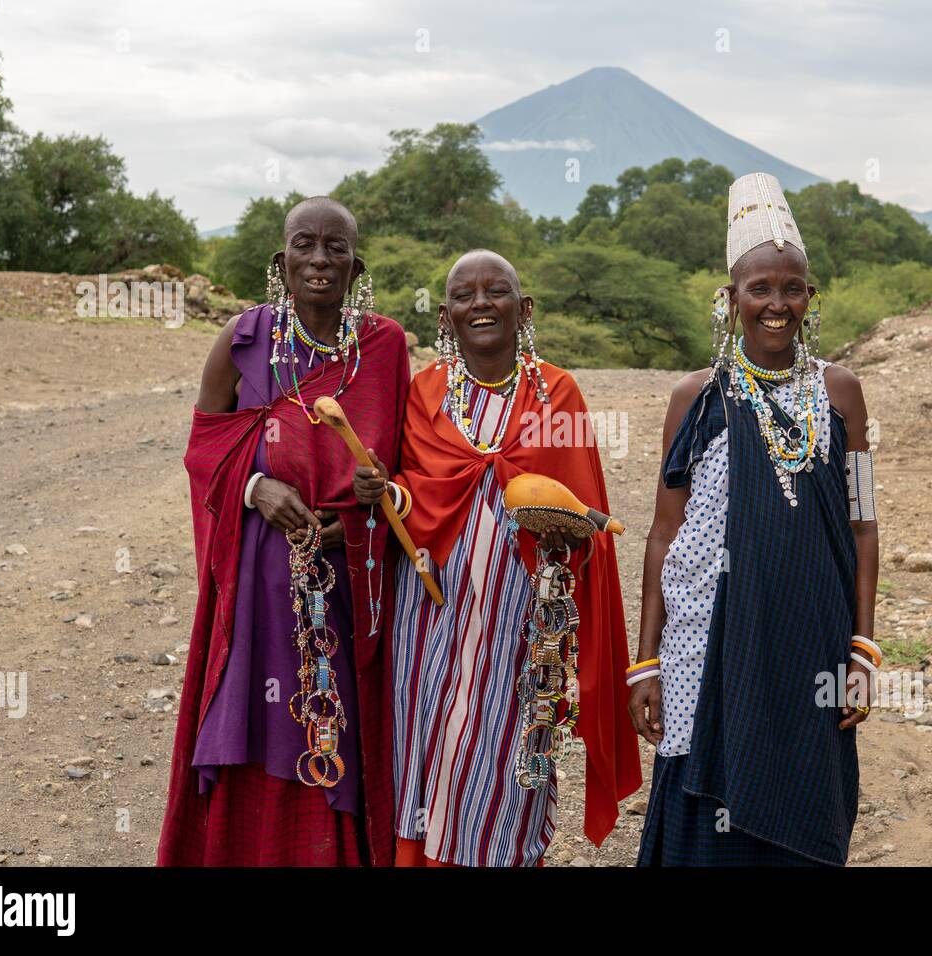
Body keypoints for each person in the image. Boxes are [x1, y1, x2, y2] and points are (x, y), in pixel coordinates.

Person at [631, 173, 880, 866]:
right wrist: (644, 660)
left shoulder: (842, 393)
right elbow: (663, 534)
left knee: (808, 799)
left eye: (792, 288)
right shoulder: (695, 399)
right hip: (702, 648)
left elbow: (863, 523)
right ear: (731, 298)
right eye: (760, 289)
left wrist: (864, 649)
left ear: (811, 297)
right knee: (704, 822)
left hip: (813, 643)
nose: (777, 304)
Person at [157, 196, 408, 866]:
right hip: (259, 578)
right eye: (304, 245)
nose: (319, 260)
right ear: (282, 259)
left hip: (350, 578)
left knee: (338, 729)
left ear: (357, 267)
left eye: (335, 248)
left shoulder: (384, 348)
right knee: (261, 716)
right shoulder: (242, 339)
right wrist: (253, 488)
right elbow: (203, 447)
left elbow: (403, 468)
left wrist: (361, 515)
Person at [386, 249, 641, 866]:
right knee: (427, 752)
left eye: (496, 292)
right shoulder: (424, 393)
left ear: (522, 308)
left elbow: (585, 515)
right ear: (444, 318)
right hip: (429, 619)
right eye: (464, 296)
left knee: (508, 763)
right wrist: (387, 493)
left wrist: (563, 526)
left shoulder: (558, 393)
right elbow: (408, 489)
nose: (481, 304)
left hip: (522, 624)